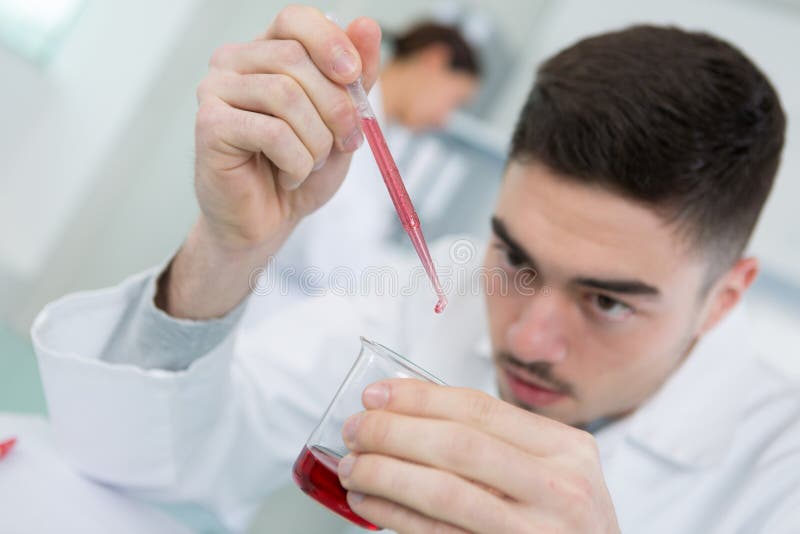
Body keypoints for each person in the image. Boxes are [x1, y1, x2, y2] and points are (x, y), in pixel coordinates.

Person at [32, 5, 799, 533]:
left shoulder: (779, 470)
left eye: (608, 302)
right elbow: (132, 455)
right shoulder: (439, 298)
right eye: (516, 259)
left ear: (722, 299)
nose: (525, 340)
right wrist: (225, 249)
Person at [276, 20, 481, 286]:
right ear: (434, 60)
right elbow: (320, 250)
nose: (444, 119)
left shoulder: (384, 137)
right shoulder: (342, 110)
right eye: (454, 101)